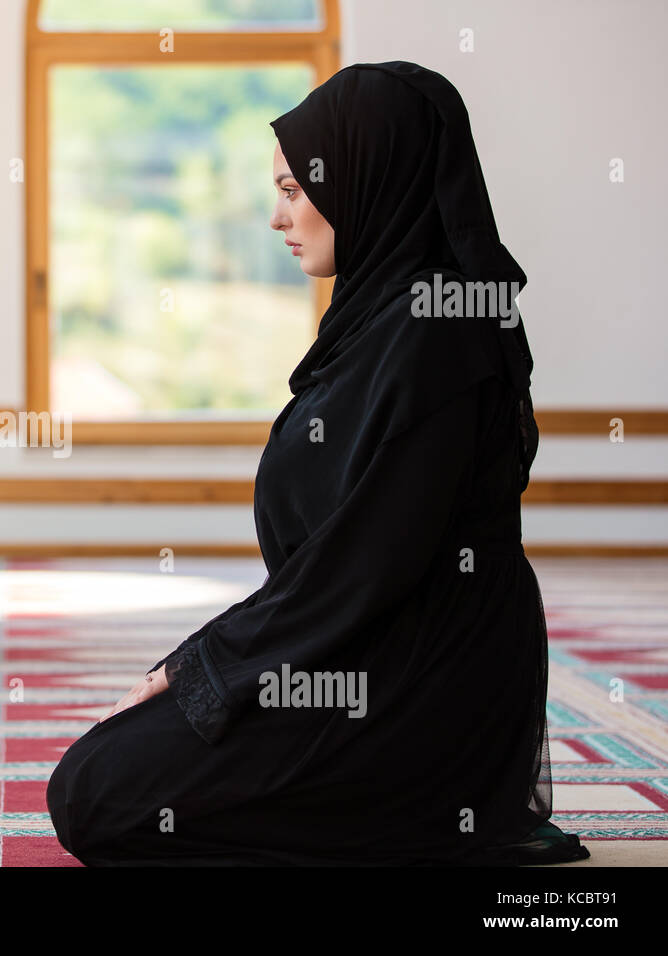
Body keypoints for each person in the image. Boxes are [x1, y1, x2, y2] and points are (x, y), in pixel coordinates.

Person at [45, 61, 590, 866]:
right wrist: (206, 666)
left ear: (372, 176)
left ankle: (422, 816)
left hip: (418, 677)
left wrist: (206, 665)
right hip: (355, 649)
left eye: (295, 190)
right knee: (104, 775)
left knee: (96, 796)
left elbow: (361, 568)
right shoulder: (382, 319)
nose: (277, 218)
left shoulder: (437, 334)